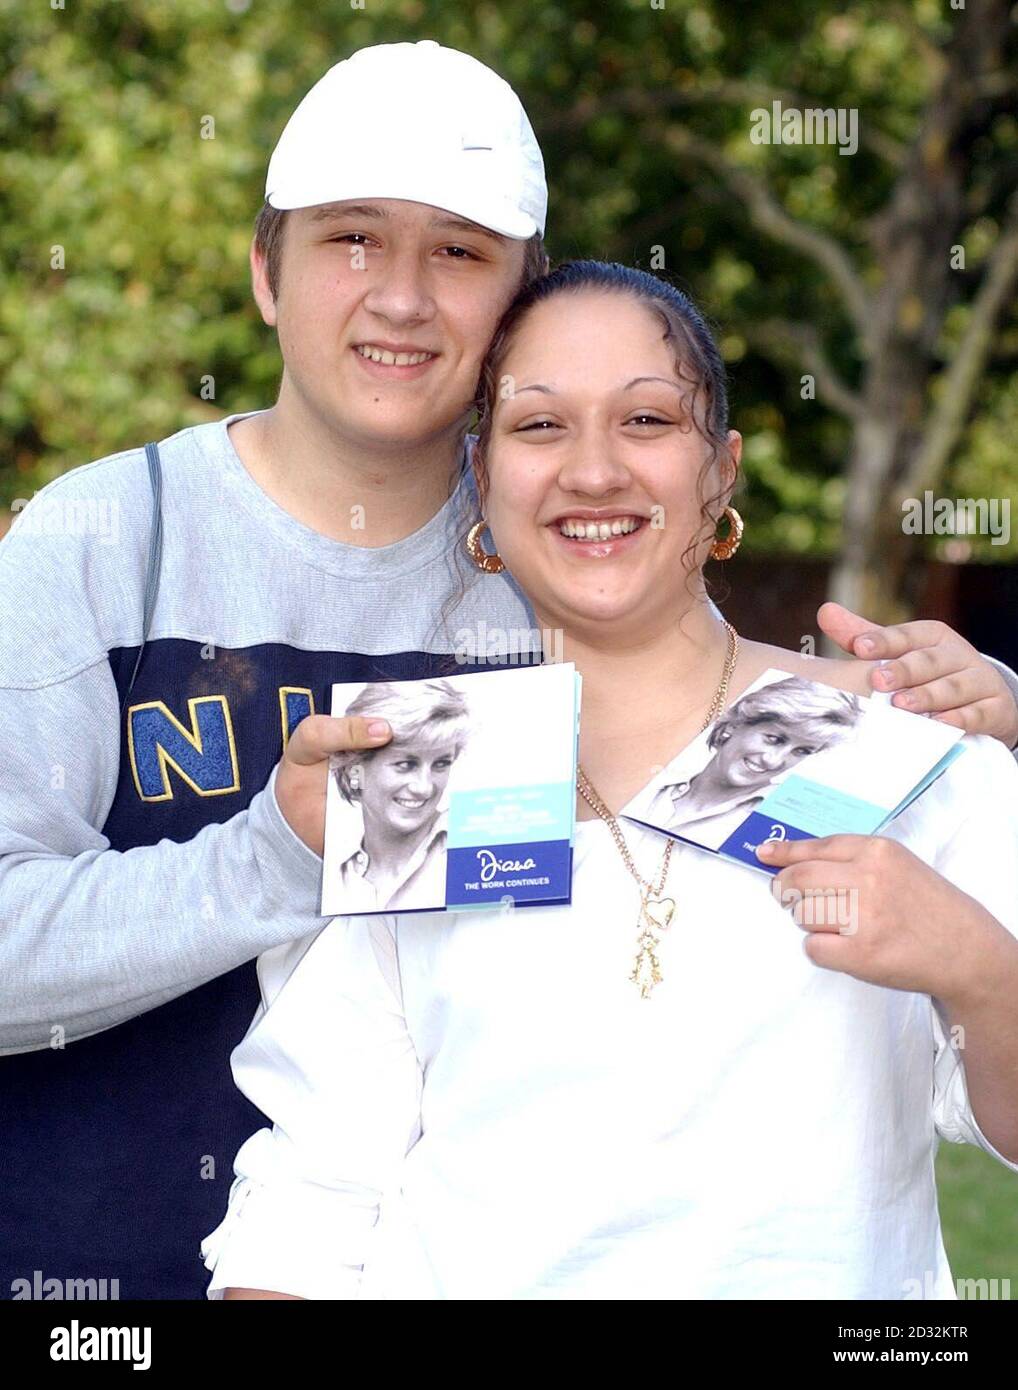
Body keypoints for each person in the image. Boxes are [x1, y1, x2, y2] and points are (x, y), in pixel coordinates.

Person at [1, 40, 1015, 1303]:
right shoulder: (109, 547)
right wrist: (276, 854)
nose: (402, 299)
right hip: (80, 1268)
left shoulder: (707, 650)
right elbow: (319, 1172)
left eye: (461, 253)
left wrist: (968, 740)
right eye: (352, 238)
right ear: (266, 270)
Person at [202, 261, 1018, 1301]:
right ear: (479, 477)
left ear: (719, 470)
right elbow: (315, 1186)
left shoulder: (903, 750)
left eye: (645, 420)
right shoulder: (415, 768)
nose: (593, 472)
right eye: (539, 427)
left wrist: (986, 971)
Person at [638, 677, 863, 850]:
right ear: (735, 725)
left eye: (801, 751)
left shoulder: (782, 820)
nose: (774, 760)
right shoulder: (652, 782)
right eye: (774, 739)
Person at [328, 680, 469, 911]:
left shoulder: (475, 847)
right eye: (405, 764)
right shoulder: (331, 872)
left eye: (441, 764)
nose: (424, 787)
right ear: (355, 769)